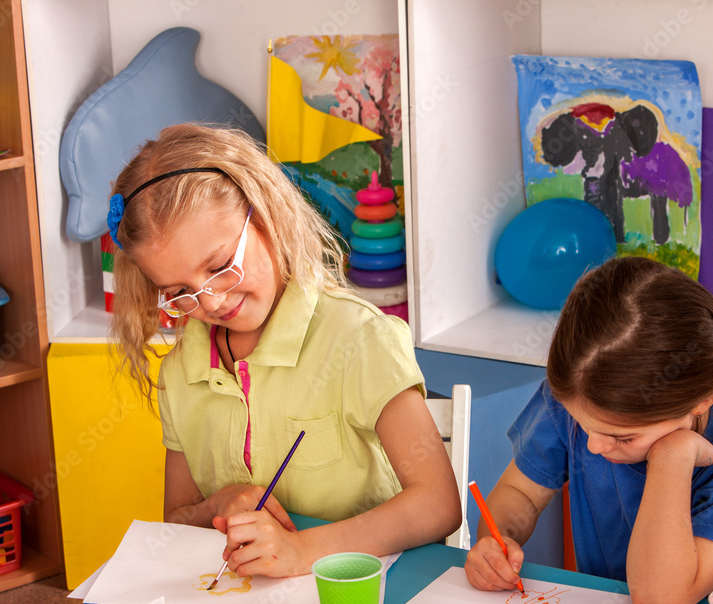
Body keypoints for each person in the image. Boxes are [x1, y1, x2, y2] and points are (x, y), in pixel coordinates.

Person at [107, 123, 461, 578]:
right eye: (179, 290)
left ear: (266, 214)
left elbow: (438, 504)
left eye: (218, 267)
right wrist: (217, 503)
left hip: (371, 600)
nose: (210, 301)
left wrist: (299, 551)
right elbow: (176, 521)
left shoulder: (357, 339)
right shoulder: (182, 374)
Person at [465, 256, 713, 604]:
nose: (593, 446)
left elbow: (657, 602)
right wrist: (498, 541)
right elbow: (520, 493)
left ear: (701, 403)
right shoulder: (584, 403)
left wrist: (672, 458)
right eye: (583, 426)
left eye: (622, 438)